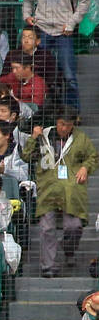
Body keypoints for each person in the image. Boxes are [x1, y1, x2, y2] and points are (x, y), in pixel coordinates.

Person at [21, 113, 96, 277]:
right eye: (62, 124)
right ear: (56, 122)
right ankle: (49, 267)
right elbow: (26, 156)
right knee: (47, 228)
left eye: (68, 125)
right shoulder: (44, 135)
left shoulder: (80, 138)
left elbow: (92, 157)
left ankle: (68, 250)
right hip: (48, 190)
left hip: (71, 191)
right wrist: (33, 137)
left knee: (74, 227)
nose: (64, 128)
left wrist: (85, 167)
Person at [22, 0, 87, 114]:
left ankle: (72, 114)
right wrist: (27, 15)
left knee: (69, 76)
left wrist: (72, 22)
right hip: (42, 29)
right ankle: (41, 113)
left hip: (64, 31)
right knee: (39, 73)